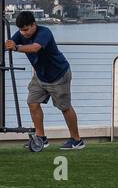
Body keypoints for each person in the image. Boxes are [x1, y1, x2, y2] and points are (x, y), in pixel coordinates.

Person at [7, 10, 83, 150]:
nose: (23, 33)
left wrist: (16, 47)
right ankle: (41, 138)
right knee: (32, 102)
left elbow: (35, 48)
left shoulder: (44, 32)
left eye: (26, 30)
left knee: (64, 107)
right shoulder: (21, 33)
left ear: (33, 25)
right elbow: (10, 44)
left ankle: (77, 140)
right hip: (40, 76)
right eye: (20, 30)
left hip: (59, 75)